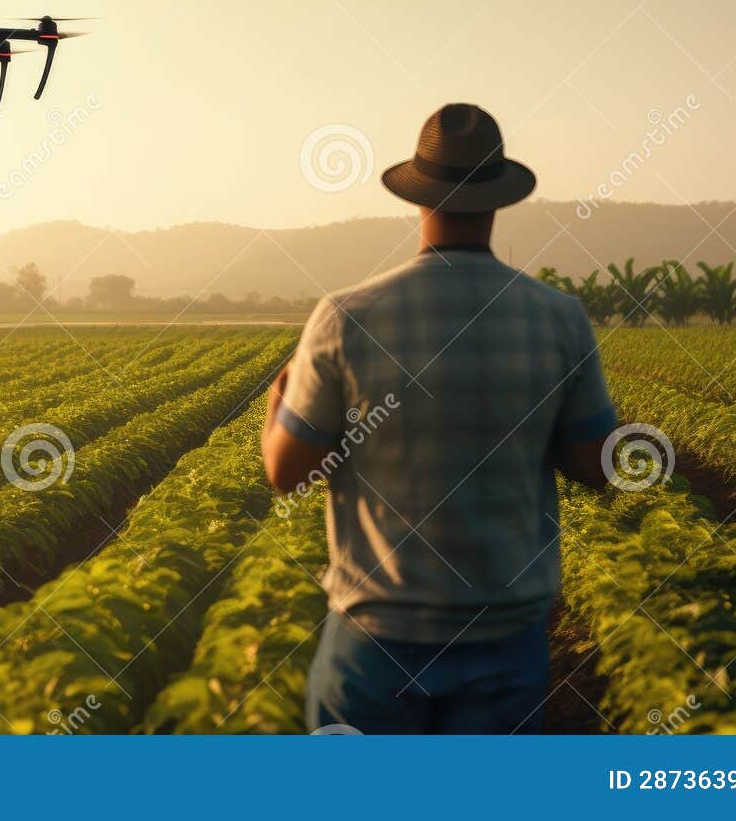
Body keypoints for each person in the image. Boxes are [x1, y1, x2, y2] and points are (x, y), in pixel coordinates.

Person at [262, 103, 617, 734]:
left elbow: (287, 472)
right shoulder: (558, 317)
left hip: (377, 639)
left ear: (418, 197)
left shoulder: (347, 315)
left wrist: (275, 406)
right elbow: (597, 467)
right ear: (499, 199)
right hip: (505, 639)